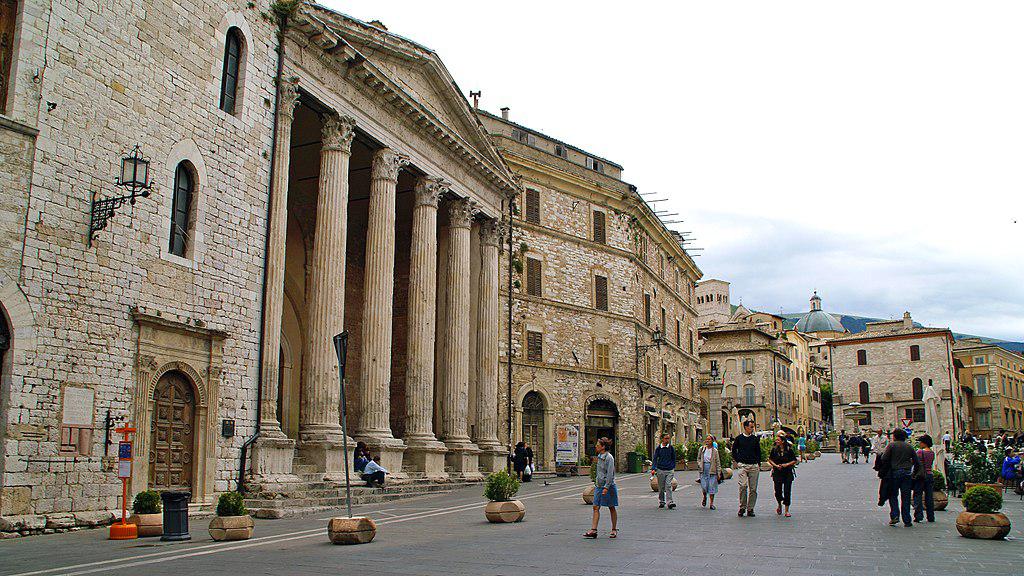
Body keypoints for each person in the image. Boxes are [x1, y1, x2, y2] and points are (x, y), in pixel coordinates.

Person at [877, 428, 921, 527]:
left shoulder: (892, 445)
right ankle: (907, 519)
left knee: (893, 495)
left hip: (894, 473)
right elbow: (916, 461)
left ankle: (895, 516)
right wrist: (913, 473)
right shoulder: (909, 446)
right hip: (907, 473)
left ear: (895, 436)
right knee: (906, 497)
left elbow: (884, 458)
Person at [585, 437, 617, 539]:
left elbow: (610, 474)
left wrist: (606, 487)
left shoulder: (609, 458)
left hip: (608, 486)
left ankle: (614, 529)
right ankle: (594, 530)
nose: (596, 446)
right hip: (599, 486)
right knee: (595, 507)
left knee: (611, 507)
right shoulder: (599, 456)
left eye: (598, 445)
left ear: (603, 447)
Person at [731, 419, 761, 517]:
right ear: (745, 427)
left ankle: (750, 508)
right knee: (743, 486)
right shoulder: (739, 438)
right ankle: (742, 507)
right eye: (751, 427)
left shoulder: (755, 439)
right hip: (743, 465)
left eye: (753, 427)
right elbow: (734, 450)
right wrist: (737, 460)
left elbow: (758, 451)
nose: (752, 429)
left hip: (753, 465)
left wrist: (758, 463)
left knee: (753, 489)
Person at [769, 431, 798, 517]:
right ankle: (779, 504)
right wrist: (775, 465)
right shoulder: (774, 450)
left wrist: (786, 464)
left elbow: (794, 460)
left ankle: (787, 510)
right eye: (776, 440)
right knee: (777, 491)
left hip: (787, 472)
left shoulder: (789, 450)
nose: (776, 441)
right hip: (777, 472)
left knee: (787, 491)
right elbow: (770, 459)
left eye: (778, 440)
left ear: (782, 441)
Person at [913, 434, 936, 523]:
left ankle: (918, 515)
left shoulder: (920, 452)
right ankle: (931, 516)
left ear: (924, 443)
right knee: (929, 496)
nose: (919, 444)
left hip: (921, 475)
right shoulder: (932, 453)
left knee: (918, 495)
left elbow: (915, 462)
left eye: (921, 442)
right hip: (930, 475)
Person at [651, 433, 677, 509]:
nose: (667, 440)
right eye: (666, 438)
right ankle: (662, 501)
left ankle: (670, 502)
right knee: (661, 487)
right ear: (662, 439)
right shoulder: (659, 448)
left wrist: (672, 466)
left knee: (668, 485)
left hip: (669, 469)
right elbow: (655, 458)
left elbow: (673, 458)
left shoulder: (671, 448)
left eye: (668, 438)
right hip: (660, 469)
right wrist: (653, 468)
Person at [697, 434, 721, 510]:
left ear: (712, 441)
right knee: (704, 486)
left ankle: (711, 503)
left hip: (712, 469)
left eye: (709, 439)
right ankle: (704, 496)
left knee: (712, 487)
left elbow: (718, 462)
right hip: (704, 469)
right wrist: (700, 464)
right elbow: (698, 458)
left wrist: (719, 472)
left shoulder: (715, 451)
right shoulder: (702, 449)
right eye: (706, 439)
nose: (707, 441)